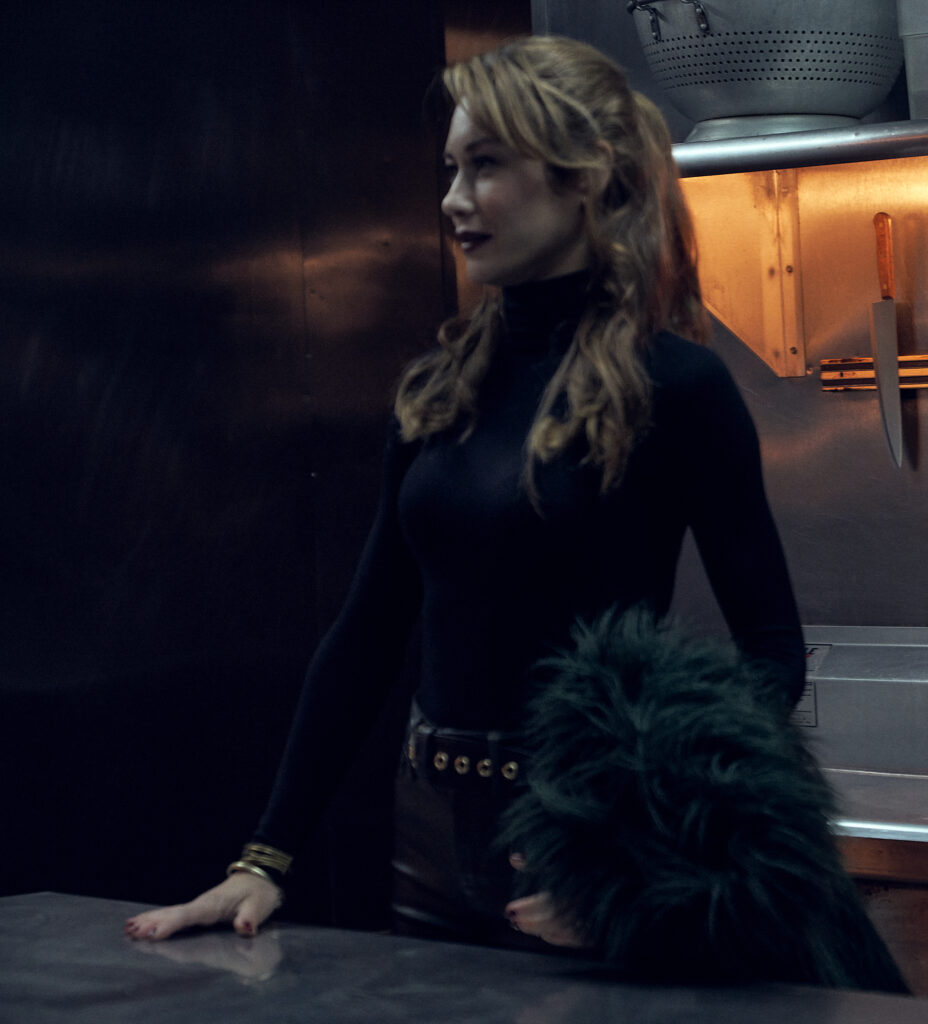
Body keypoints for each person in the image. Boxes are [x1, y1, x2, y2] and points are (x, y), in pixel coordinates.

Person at [124, 35, 848, 971]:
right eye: (451, 169)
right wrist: (264, 858)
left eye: (486, 166)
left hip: (582, 843)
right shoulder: (440, 387)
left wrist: (637, 861)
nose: (452, 199)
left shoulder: (678, 386)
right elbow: (368, 632)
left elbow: (771, 654)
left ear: (582, 178)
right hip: (426, 837)